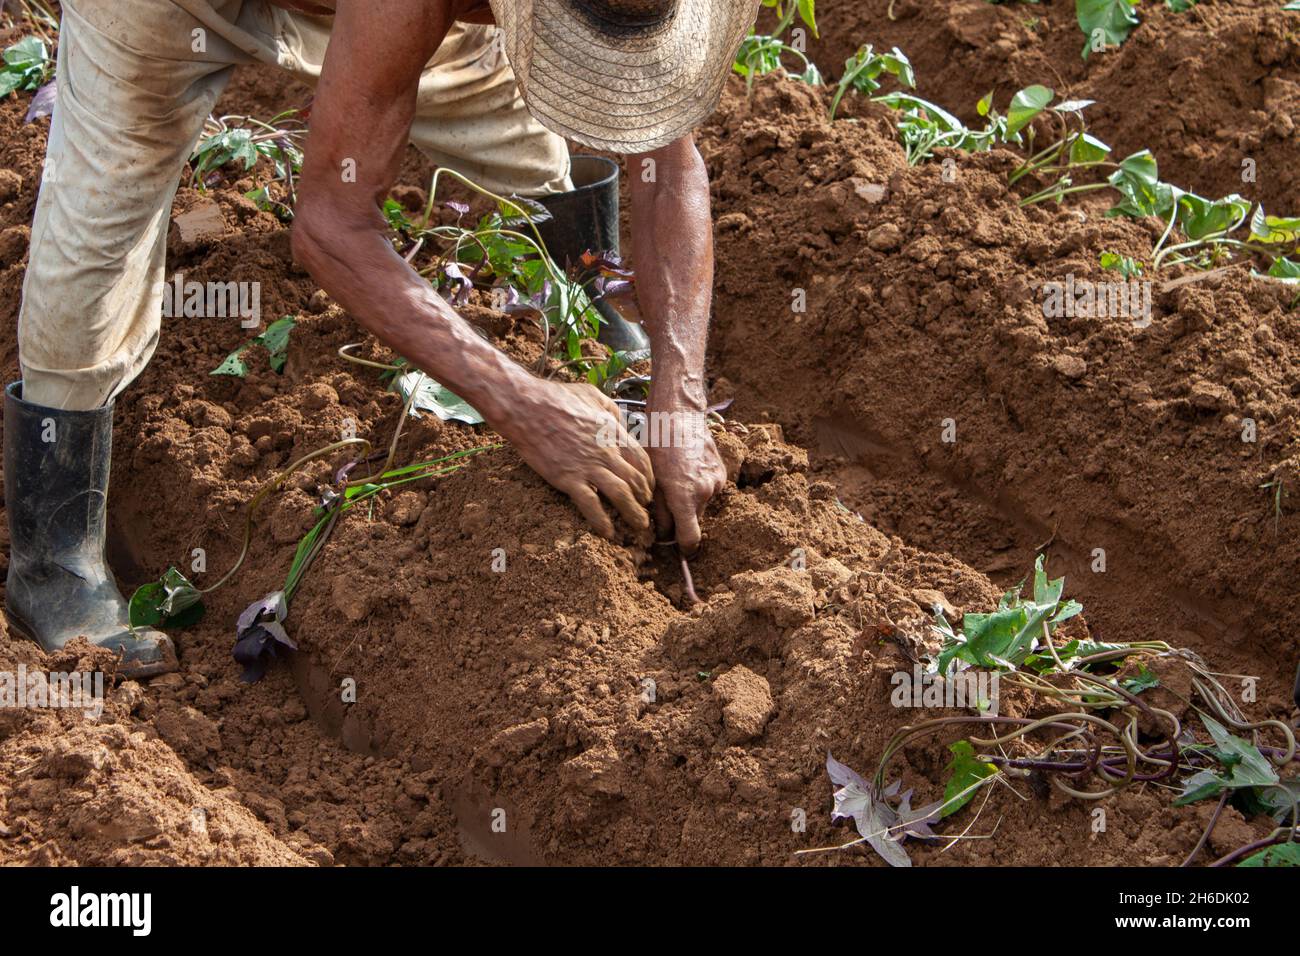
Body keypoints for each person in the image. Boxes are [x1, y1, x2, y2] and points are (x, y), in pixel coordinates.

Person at [5, 0, 756, 677]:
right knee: (97, 237)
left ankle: (591, 327)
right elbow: (331, 225)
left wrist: (679, 395)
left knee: (524, 162)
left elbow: (667, 158)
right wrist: (521, 405)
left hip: (397, 17)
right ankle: (54, 561)